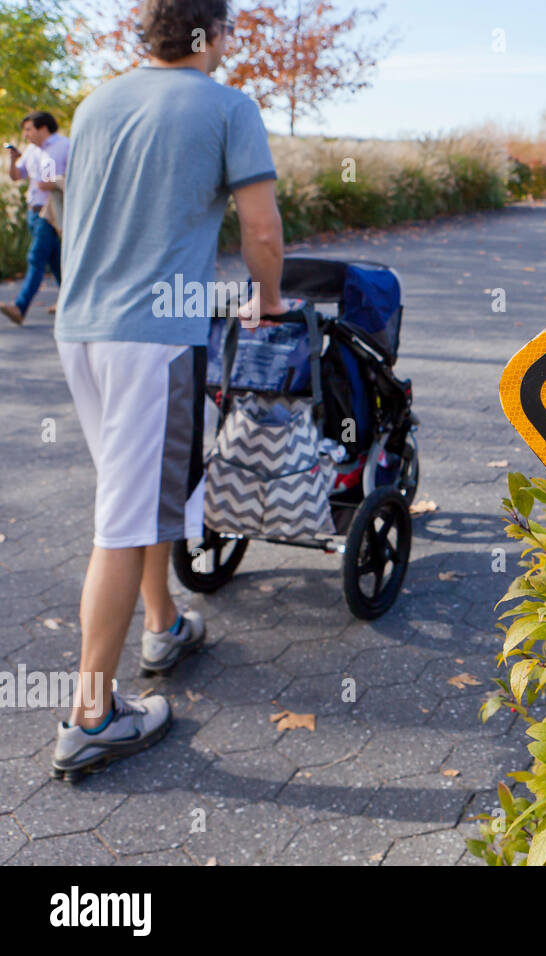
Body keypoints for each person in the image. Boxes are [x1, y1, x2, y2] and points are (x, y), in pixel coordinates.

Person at [51, 0, 288, 779]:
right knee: (120, 519)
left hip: (81, 327)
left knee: (138, 489)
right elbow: (261, 230)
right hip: (152, 340)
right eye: (227, 34)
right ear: (212, 36)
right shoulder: (227, 107)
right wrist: (271, 300)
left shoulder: (96, 104)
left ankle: (162, 625)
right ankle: (90, 716)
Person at [2, 111, 70, 325]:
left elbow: (79, 175)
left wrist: (55, 182)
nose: (26, 134)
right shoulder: (32, 151)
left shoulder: (64, 146)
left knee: (36, 257)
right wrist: (13, 161)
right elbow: (16, 176)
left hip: (51, 213)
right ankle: (70, 303)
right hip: (33, 211)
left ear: (43, 128)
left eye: (29, 129)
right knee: (55, 262)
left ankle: (20, 307)